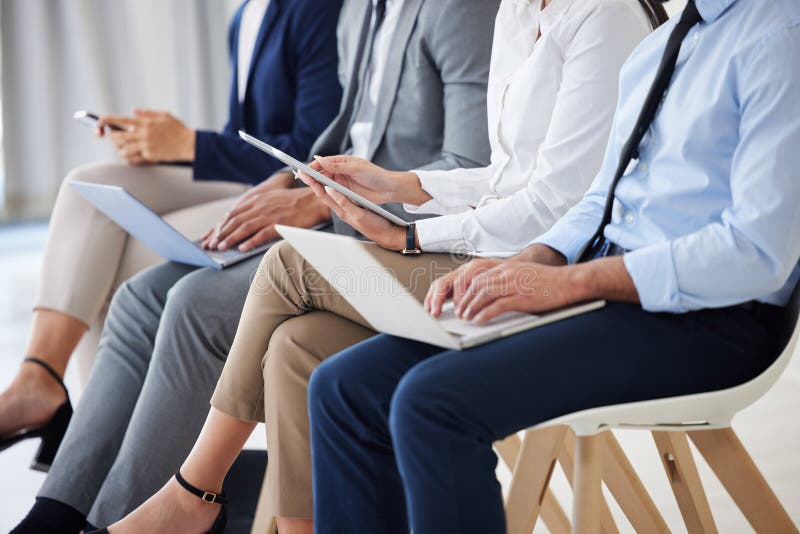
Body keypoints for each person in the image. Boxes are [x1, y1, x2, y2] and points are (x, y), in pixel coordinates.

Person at [100, 0, 666, 533]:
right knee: (296, 347)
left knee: (289, 266)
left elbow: (558, 206)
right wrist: (404, 186)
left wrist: (413, 235)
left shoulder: (604, 14)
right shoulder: (519, 8)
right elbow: (504, 177)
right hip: (493, 245)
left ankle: (193, 494)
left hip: (548, 272)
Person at [307, 0, 800, 532]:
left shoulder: (779, 36)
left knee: (431, 404)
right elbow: (598, 199)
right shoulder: (669, 43)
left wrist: (570, 282)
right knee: (344, 388)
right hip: (609, 287)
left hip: (713, 318)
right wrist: (526, 264)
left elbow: (758, 251)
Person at [10, 0, 498, 532]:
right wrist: (291, 182)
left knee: (194, 305)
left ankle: (123, 519)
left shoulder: (459, 10)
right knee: (140, 297)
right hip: (339, 219)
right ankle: (58, 512)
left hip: (415, 242)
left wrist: (319, 201)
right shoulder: (362, 10)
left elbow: (472, 171)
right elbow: (341, 141)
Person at [0, 0, 343, 470]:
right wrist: (162, 145)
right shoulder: (244, 16)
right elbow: (240, 135)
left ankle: (104, 456)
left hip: (293, 189)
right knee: (89, 187)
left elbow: (312, 151)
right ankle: (38, 378)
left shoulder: (316, 10)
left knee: (124, 256)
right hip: (247, 175)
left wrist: (189, 146)